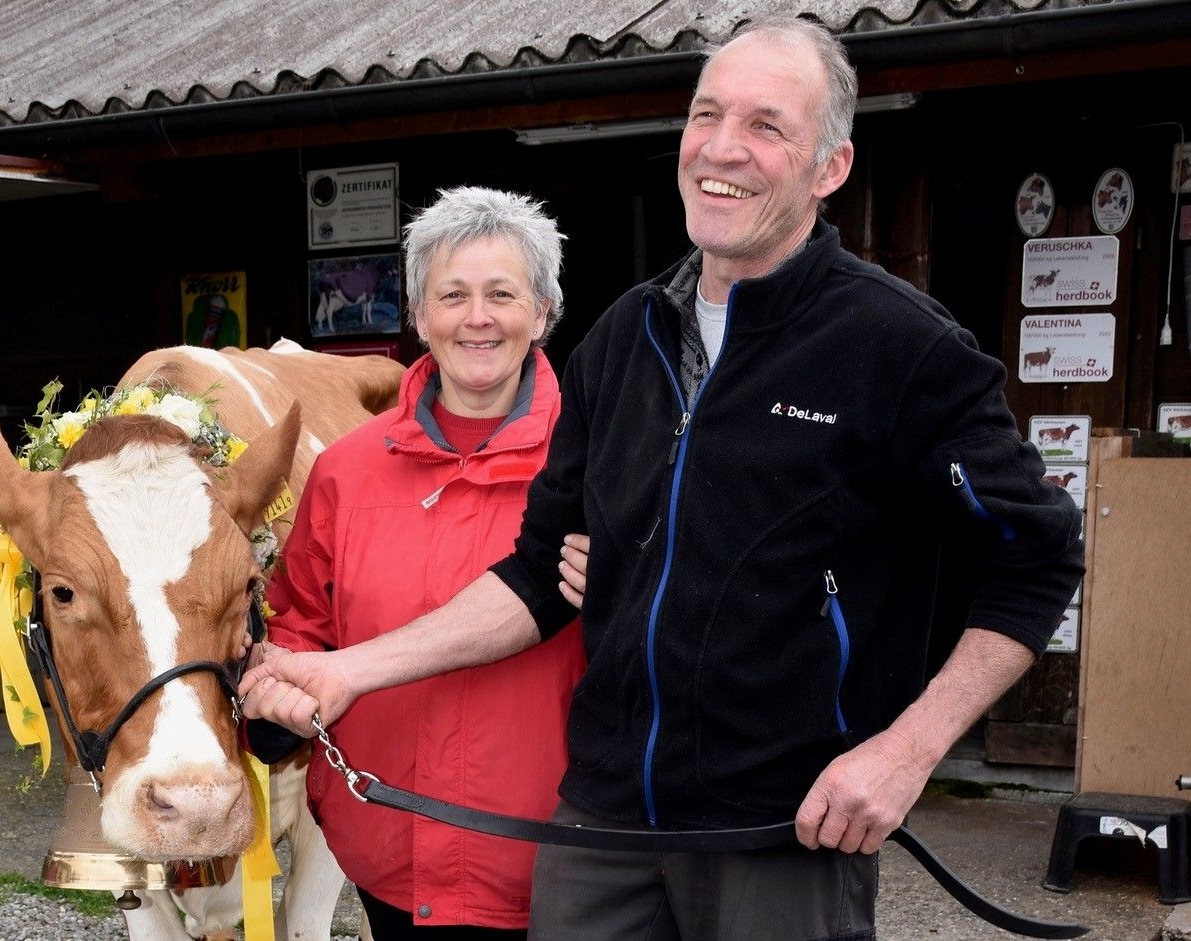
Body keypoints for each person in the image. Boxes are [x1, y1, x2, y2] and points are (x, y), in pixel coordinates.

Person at [242, 18, 1084, 941]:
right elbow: (534, 579)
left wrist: (906, 750)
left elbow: (1036, 559)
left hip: (783, 830)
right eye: (706, 114)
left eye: (767, 126)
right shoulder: (625, 336)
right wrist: (345, 671)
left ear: (829, 167)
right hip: (602, 824)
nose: (723, 148)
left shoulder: (902, 349)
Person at [254, 185, 586, 938]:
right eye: (453, 294)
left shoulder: (598, 459)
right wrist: (277, 704)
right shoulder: (347, 471)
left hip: (562, 866)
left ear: (542, 312)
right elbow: (300, 621)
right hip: (391, 853)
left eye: (503, 293)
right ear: (418, 313)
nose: (477, 317)